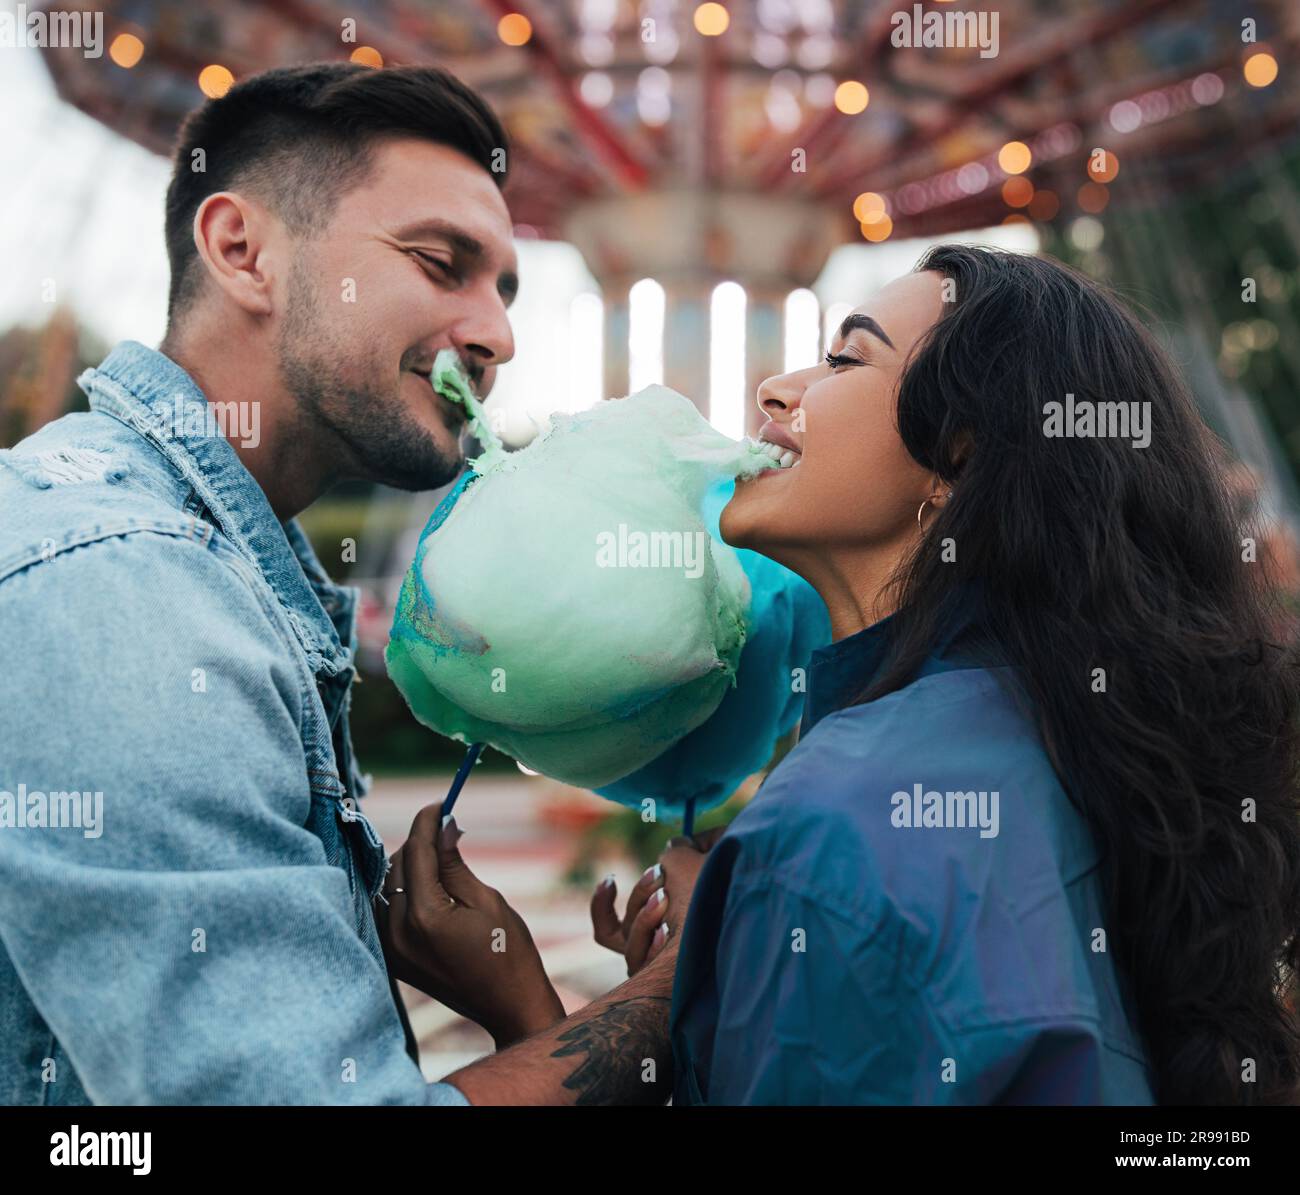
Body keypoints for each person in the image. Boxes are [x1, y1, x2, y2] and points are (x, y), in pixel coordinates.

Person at [0, 62, 680, 1106]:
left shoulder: (215, 568)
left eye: (502, 287)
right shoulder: (129, 586)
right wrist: (672, 997)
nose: (497, 333)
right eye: (441, 262)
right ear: (242, 250)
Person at [600, 246, 1300, 1105]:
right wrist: (725, 959)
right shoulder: (1074, 730)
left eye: (846, 359)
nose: (776, 390)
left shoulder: (833, 825)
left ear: (960, 456)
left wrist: (528, 1008)